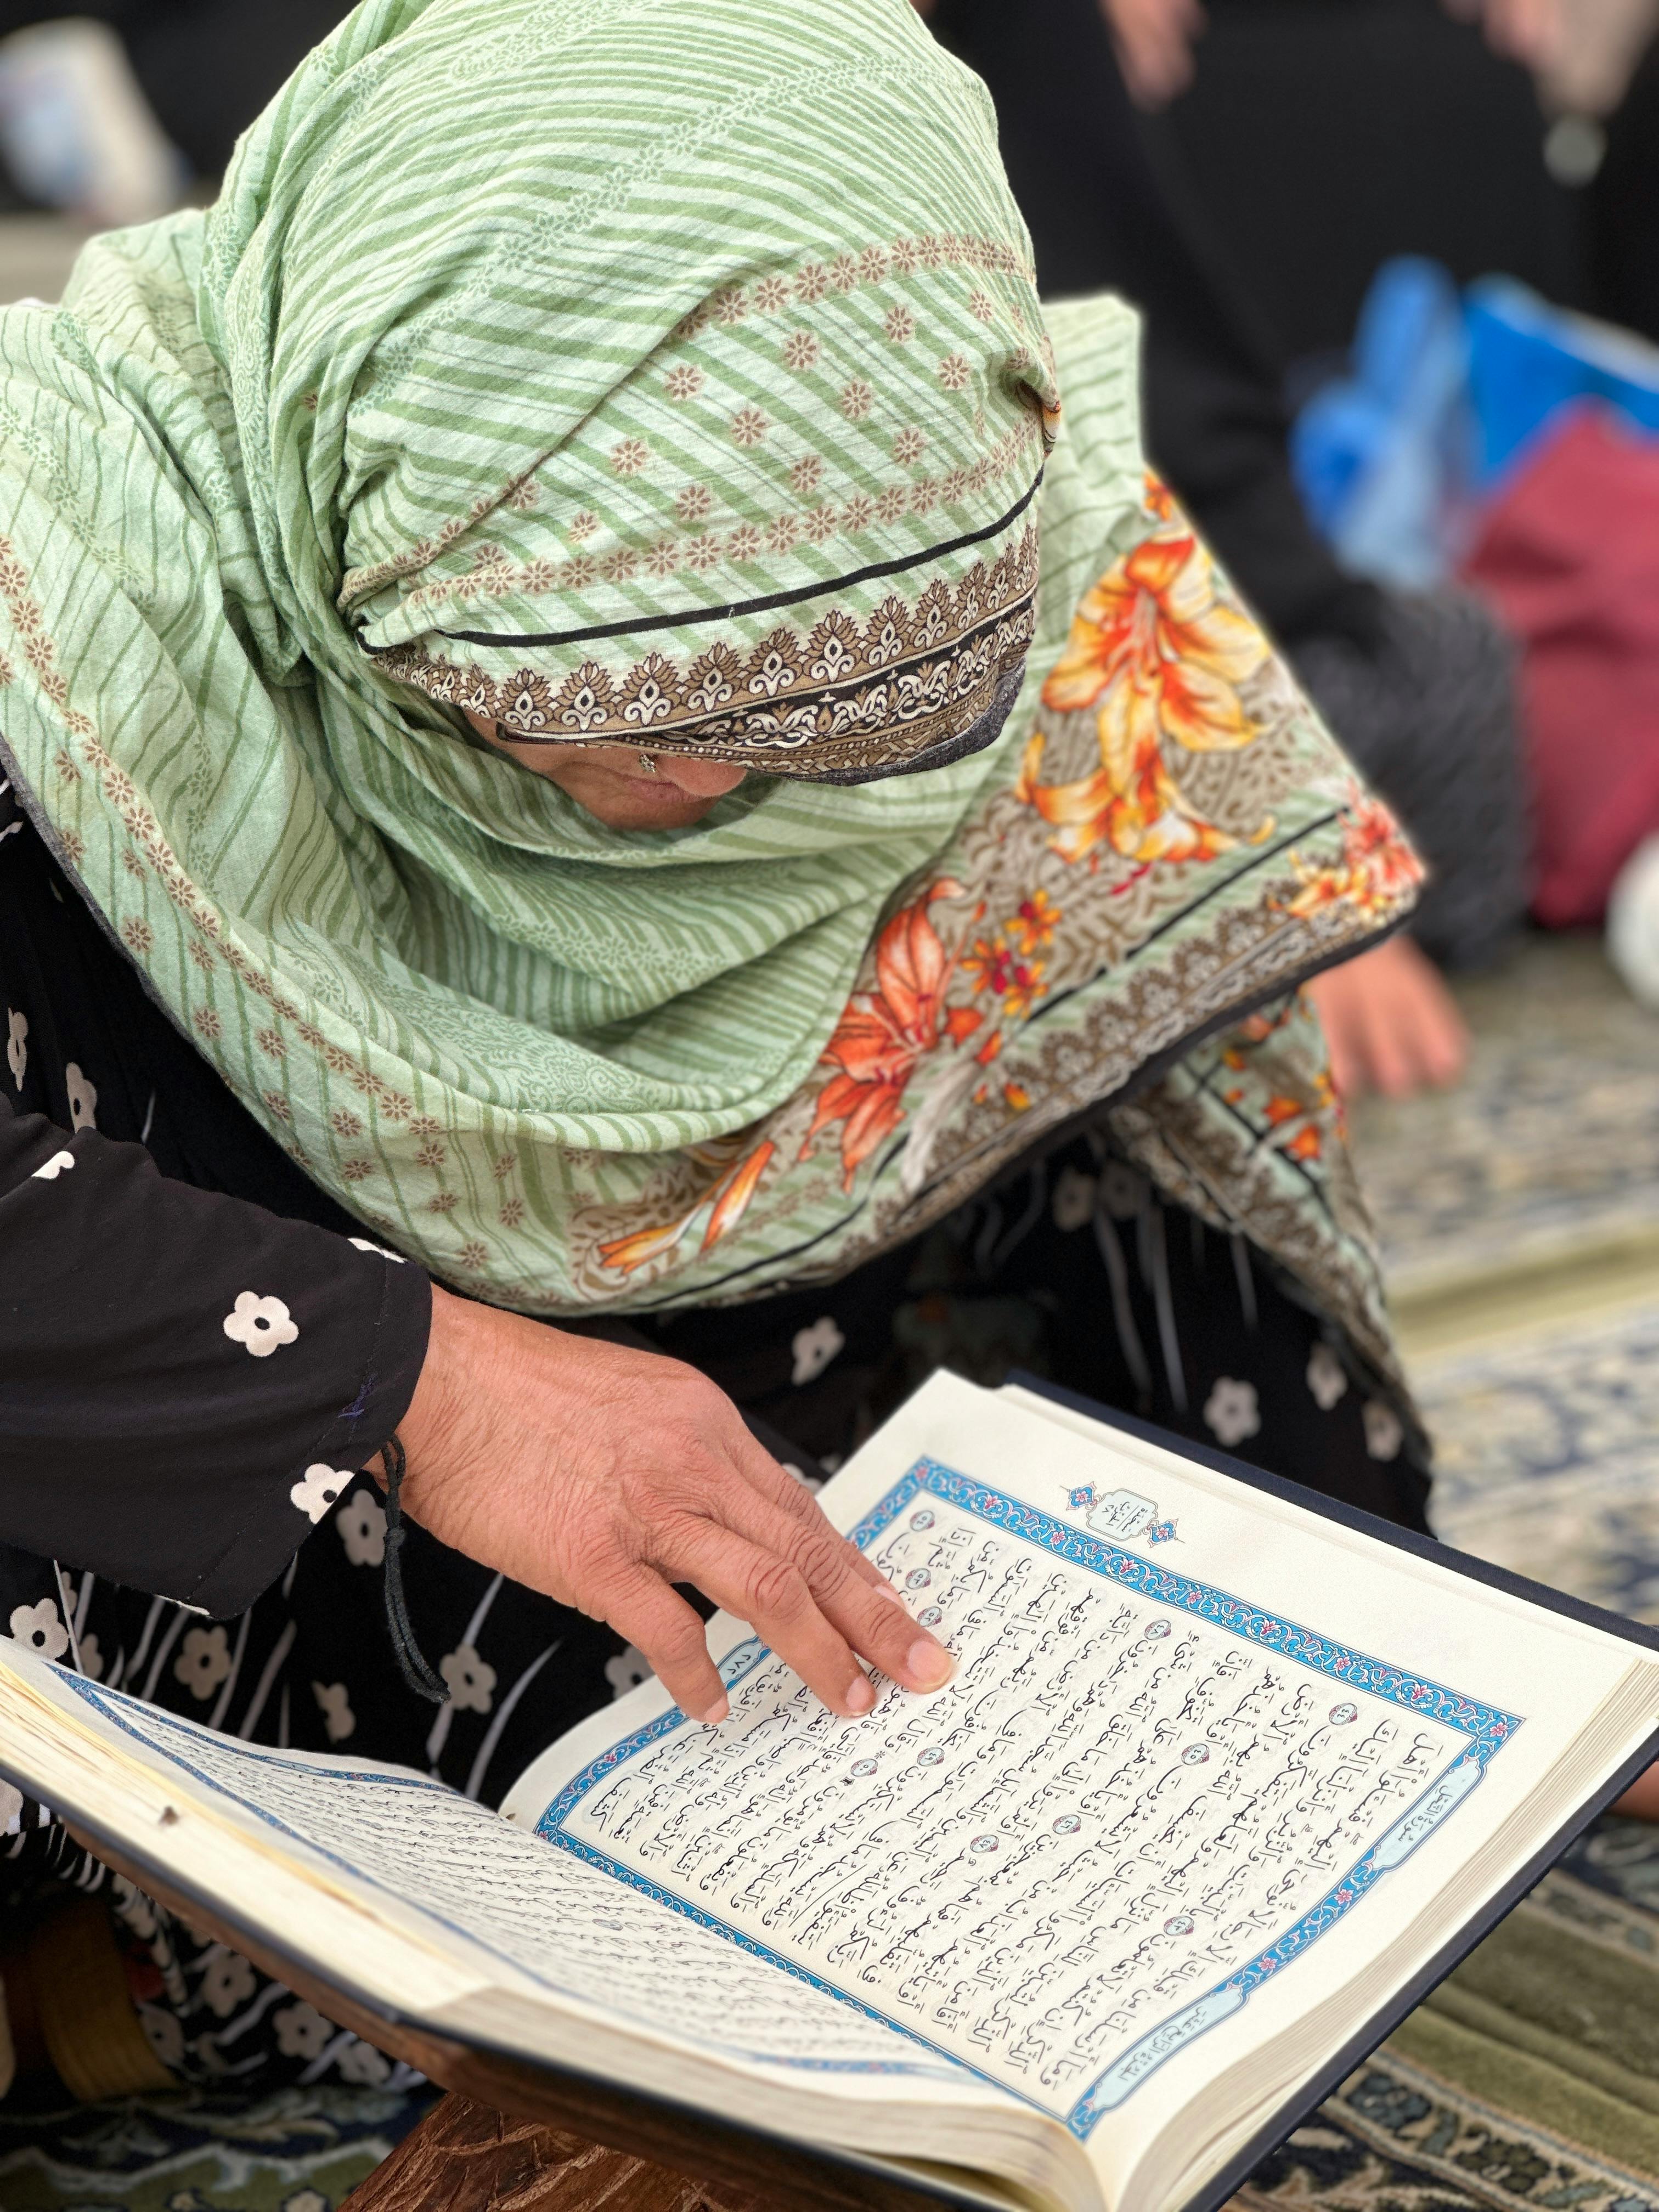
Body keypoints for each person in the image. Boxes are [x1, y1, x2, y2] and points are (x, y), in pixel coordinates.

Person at [0, 0, 1425, 2103]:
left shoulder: (977, 526)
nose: (735, 818)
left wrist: (1415, 1665)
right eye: (670, 726)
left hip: (760, 1745)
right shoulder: (54, 610)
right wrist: (421, 1378)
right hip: (219, 1601)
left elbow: (1177, 1193)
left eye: (836, 749)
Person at [923, 0, 1524, 1104]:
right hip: (929, 733)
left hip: (1157, 648)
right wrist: (1258, 856)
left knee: (1456, 669)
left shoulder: (1021, 48)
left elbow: (1185, 443)